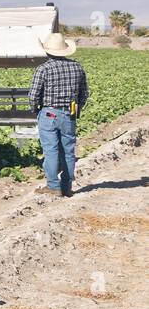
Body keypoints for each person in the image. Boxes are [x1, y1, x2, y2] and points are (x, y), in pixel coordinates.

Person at [29, 33, 89, 196]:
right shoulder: (77, 67)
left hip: (49, 113)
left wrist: (36, 110)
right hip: (69, 112)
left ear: (47, 51)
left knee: (51, 150)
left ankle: (53, 187)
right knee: (68, 151)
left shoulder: (43, 69)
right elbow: (84, 93)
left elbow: (34, 95)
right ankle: (67, 187)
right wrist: (76, 108)